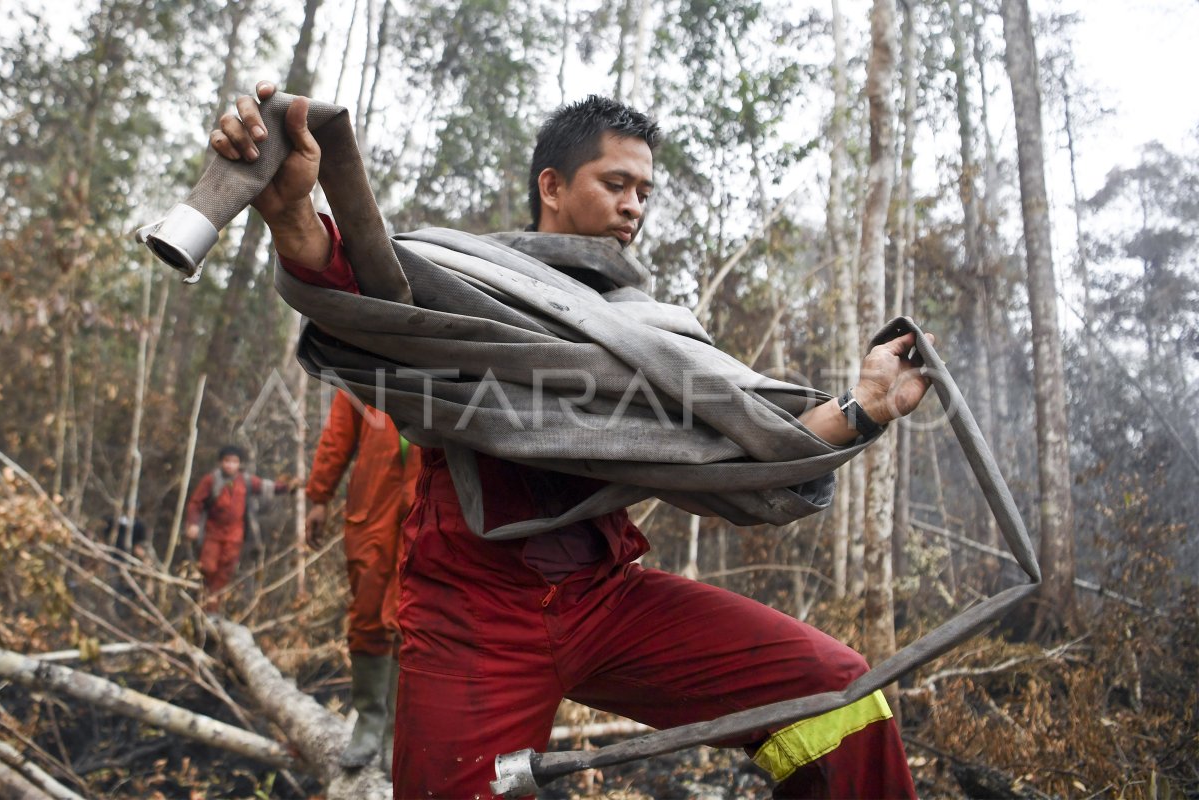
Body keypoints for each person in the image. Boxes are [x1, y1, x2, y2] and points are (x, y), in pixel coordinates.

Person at [211, 81, 934, 798]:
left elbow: (743, 437)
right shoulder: (464, 281)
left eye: (645, 192)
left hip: (606, 596)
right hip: (472, 612)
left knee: (840, 696)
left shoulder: (652, 330)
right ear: (551, 185)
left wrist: (866, 403)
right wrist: (296, 216)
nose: (634, 207)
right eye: (616, 183)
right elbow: (369, 296)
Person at [305, 389, 423, 771]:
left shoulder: (444, 357)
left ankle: (397, 731)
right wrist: (319, 495)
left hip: (426, 508)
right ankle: (369, 724)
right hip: (372, 508)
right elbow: (338, 433)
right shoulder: (362, 359)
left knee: (415, 618)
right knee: (368, 611)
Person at [185, 444, 291, 613]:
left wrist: (288, 486)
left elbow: (266, 486)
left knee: (225, 572)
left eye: (234, 462)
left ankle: (212, 609)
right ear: (221, 462)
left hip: (235, 536)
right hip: (213, 533)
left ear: (239, 464)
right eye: (227, 461)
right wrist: (193, 524)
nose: (230, 465)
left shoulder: (246, 480)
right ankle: (200, 602)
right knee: (208, 567)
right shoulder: (211, 480)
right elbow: (196, 503)